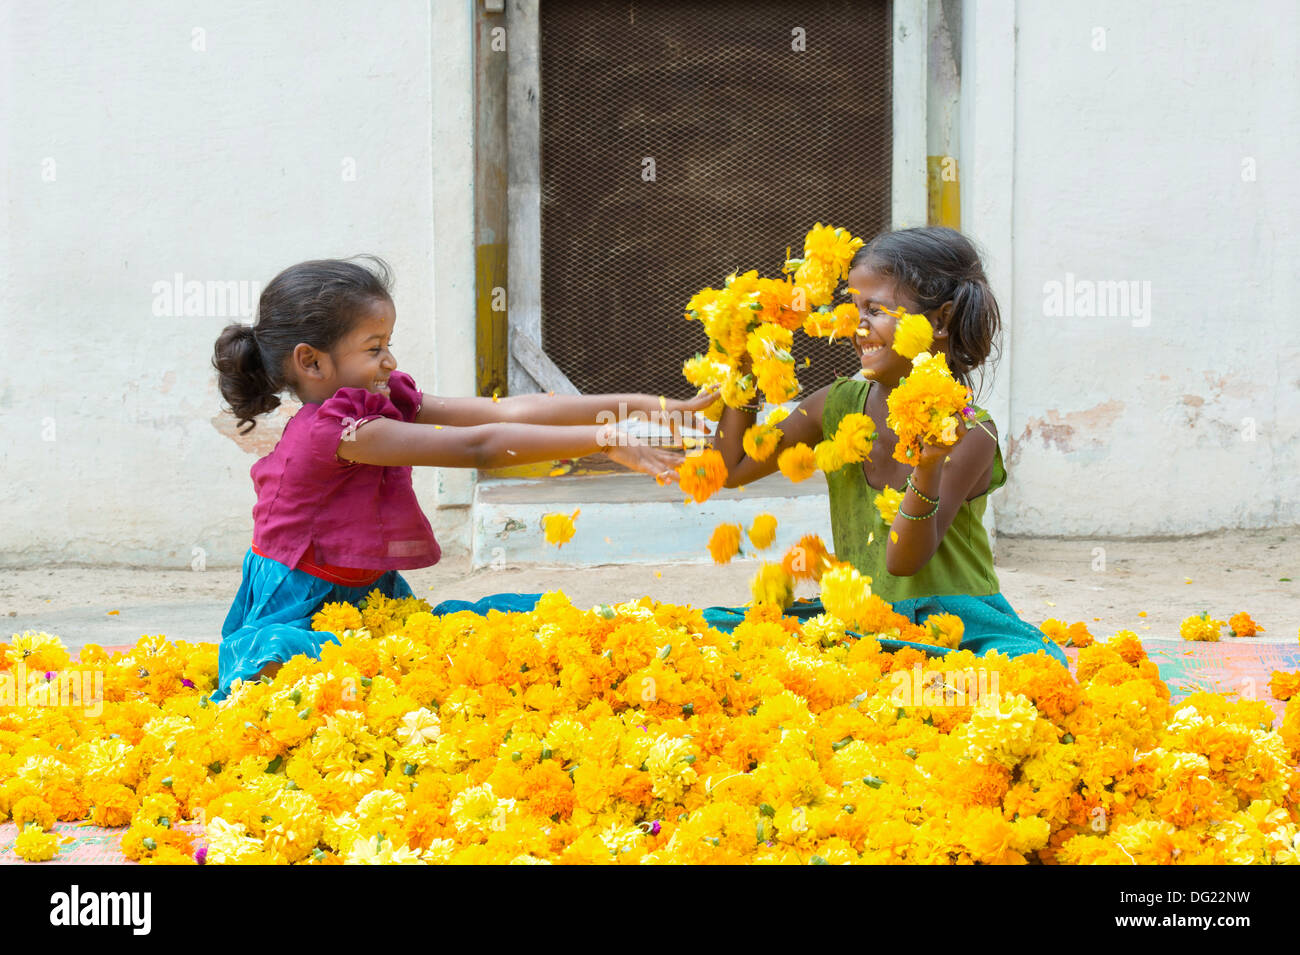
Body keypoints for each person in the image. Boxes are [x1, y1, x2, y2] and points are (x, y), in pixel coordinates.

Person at [210, 255, 713, 700]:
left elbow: (510, 410)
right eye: (374, 348)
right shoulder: (335, 433)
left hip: (367, 589)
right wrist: (605, 440)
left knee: (431, 669)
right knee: (298, 678)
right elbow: (480, 445)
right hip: (299, 595)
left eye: (389, 343)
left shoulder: (379, 402)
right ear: (311, 361)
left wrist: (645, 406)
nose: (391, 360)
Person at [712, 227, 1067, 666]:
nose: (856, 327)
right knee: (716, 633)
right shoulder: (836, 404)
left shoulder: (969, 432)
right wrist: (743, 365)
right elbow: (733, 468)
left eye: (875, 310)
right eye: (854, 307)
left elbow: (903, 561)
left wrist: (929, 461)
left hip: (953, 624)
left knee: (1007, 676)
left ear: (939, 321)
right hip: (862, 621)